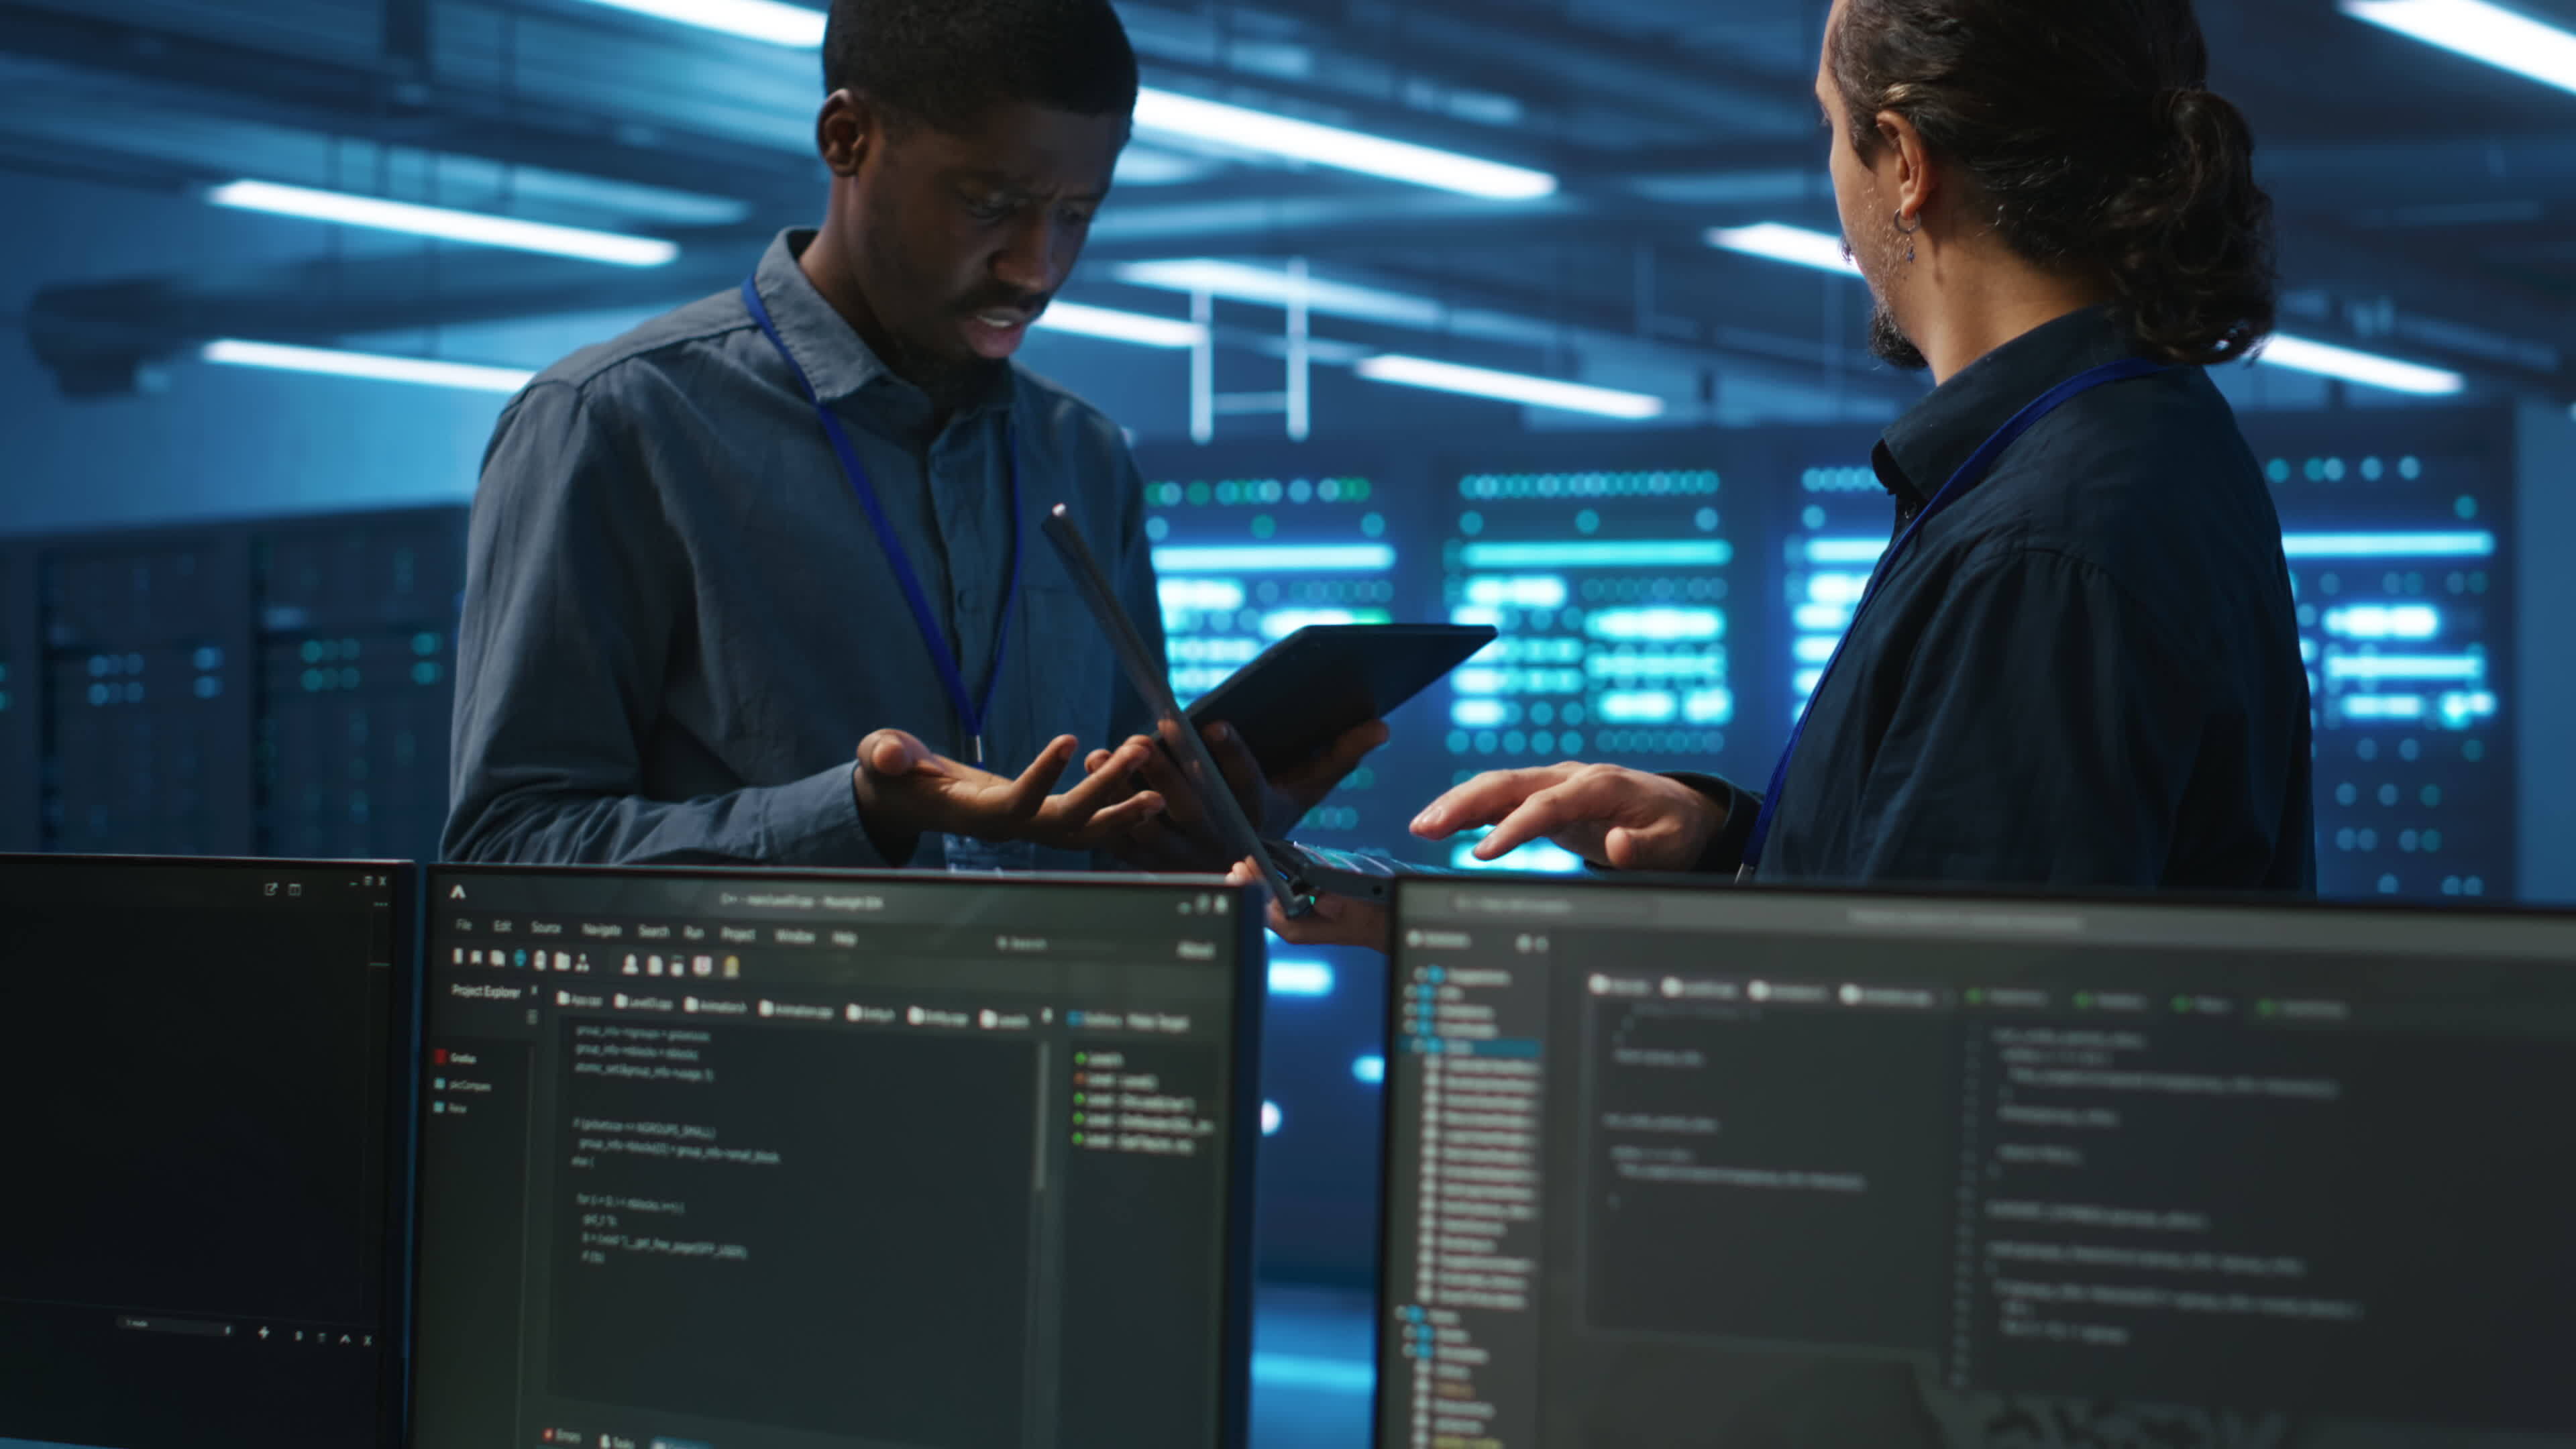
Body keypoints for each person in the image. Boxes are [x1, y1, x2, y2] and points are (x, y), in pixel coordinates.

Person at [1261, 0, 2312, 947]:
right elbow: (1933, 911)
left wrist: (1506, 948)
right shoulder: (2124, 449)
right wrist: (1727, 847)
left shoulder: (2039, 546)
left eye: (1830, 126)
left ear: (1903, 160)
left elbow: (1921, 1041)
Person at [445, 0, 1379, 870]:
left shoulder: (1083, 454)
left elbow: (1111, 836)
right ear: (848, 138)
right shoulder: (615, 420)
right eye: (990, 206)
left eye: (1074, 217)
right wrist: (862, 814)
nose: (1036, 268)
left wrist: (1205, 831)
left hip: (1046, 1044)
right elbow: (508, 841)